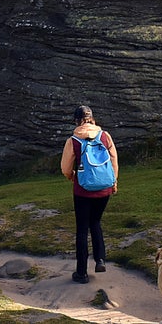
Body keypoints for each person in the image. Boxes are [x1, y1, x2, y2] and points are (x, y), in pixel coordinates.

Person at [60, 105, 118, 284]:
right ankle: (100, 260)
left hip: (83, 190)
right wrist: (113, 182)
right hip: (104, 189)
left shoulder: (73, 141)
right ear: (92, 118)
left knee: (82, 229)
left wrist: (72, 176)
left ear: (76, 121)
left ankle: (81, 273)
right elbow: (113, 161)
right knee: (96, 222)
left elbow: (65, 168)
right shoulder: (105, 136)